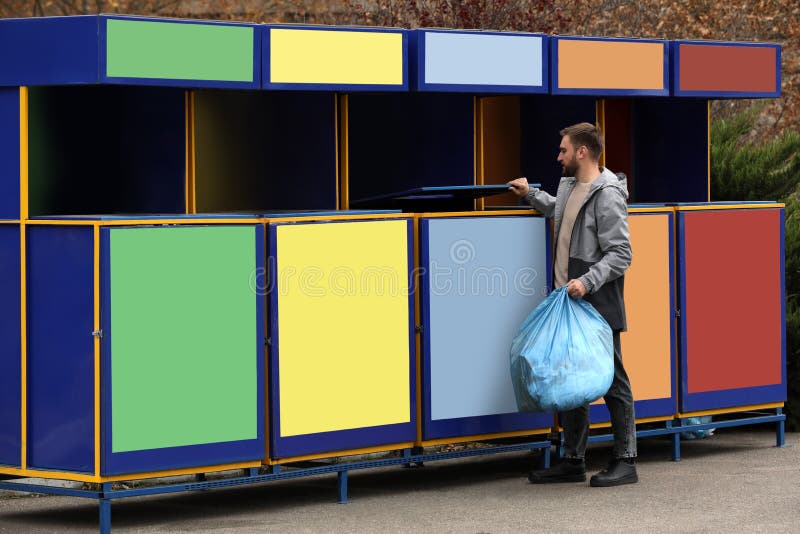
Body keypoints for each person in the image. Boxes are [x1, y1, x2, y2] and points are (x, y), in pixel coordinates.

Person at [507, 122, 637, 487]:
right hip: (569, 299)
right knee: (570, 380)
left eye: (564, 149)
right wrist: (530, 193)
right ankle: (573, 460)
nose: (558, 155)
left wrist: (587, 281)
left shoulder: (608, 193)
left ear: (582, 152)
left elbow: (621, 253)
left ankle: (626, 459)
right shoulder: (570, 187)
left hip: (596, 301)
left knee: (613, 381)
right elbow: (560, 214)